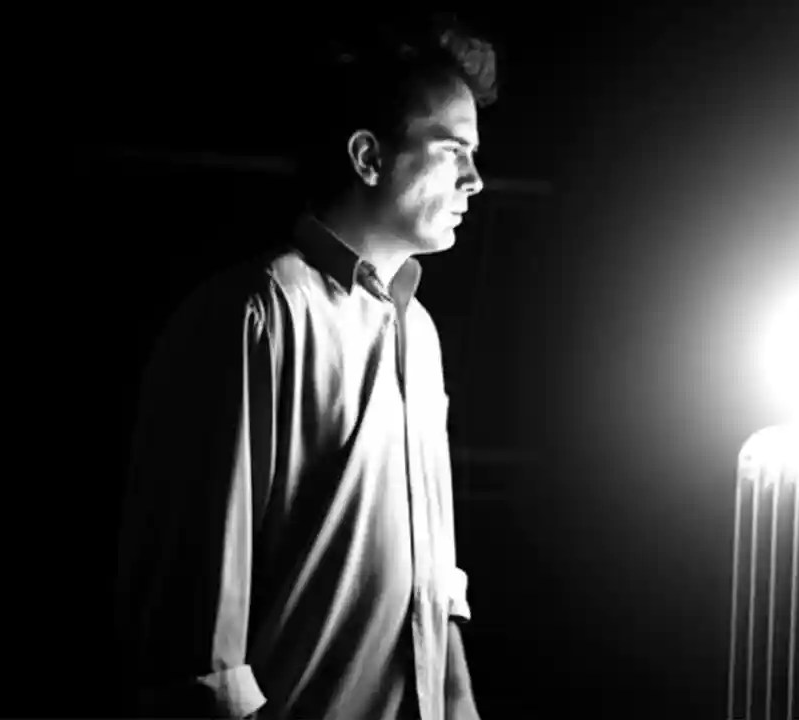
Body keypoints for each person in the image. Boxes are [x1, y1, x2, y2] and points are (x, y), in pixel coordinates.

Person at [113, 15, 495, 719]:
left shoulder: (421, 330)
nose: (475, 179)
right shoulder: (255, 315)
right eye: (452, 152)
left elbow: (435, 581)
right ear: (369, 157)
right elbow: (196, 618)